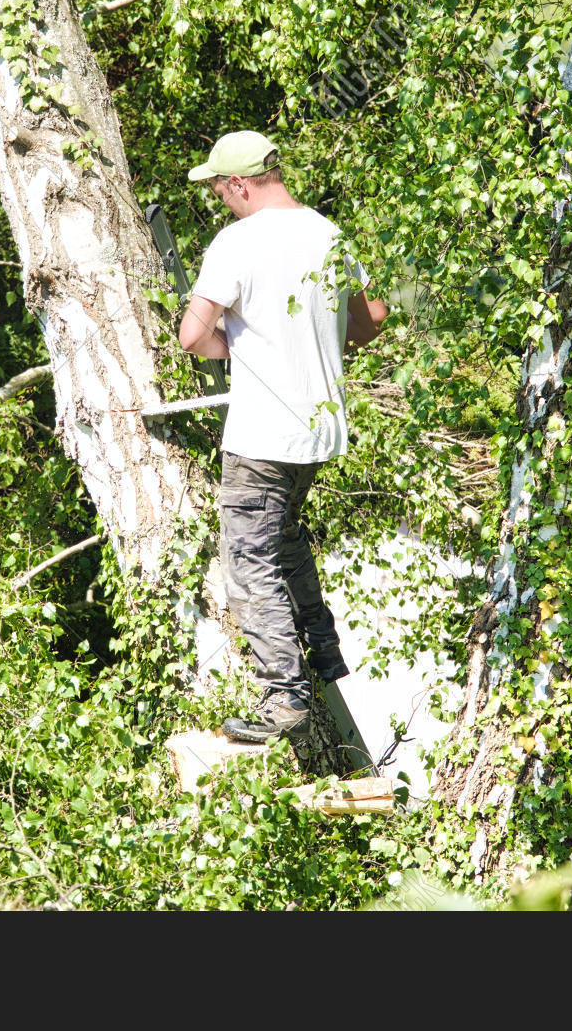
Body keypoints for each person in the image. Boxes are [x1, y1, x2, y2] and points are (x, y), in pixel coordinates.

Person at [177, 130, 386, 742]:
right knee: (285, 533)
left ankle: (285, 697)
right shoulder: (327, 232)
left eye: (219, 189)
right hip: (321, 430)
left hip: (264, 434)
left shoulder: (235, 243)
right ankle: (322, 649)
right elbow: (370, 320)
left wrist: (231, 353)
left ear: (239, 184)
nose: (220, 201)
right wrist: (315, 348)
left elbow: (194, 335)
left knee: (247, 557)